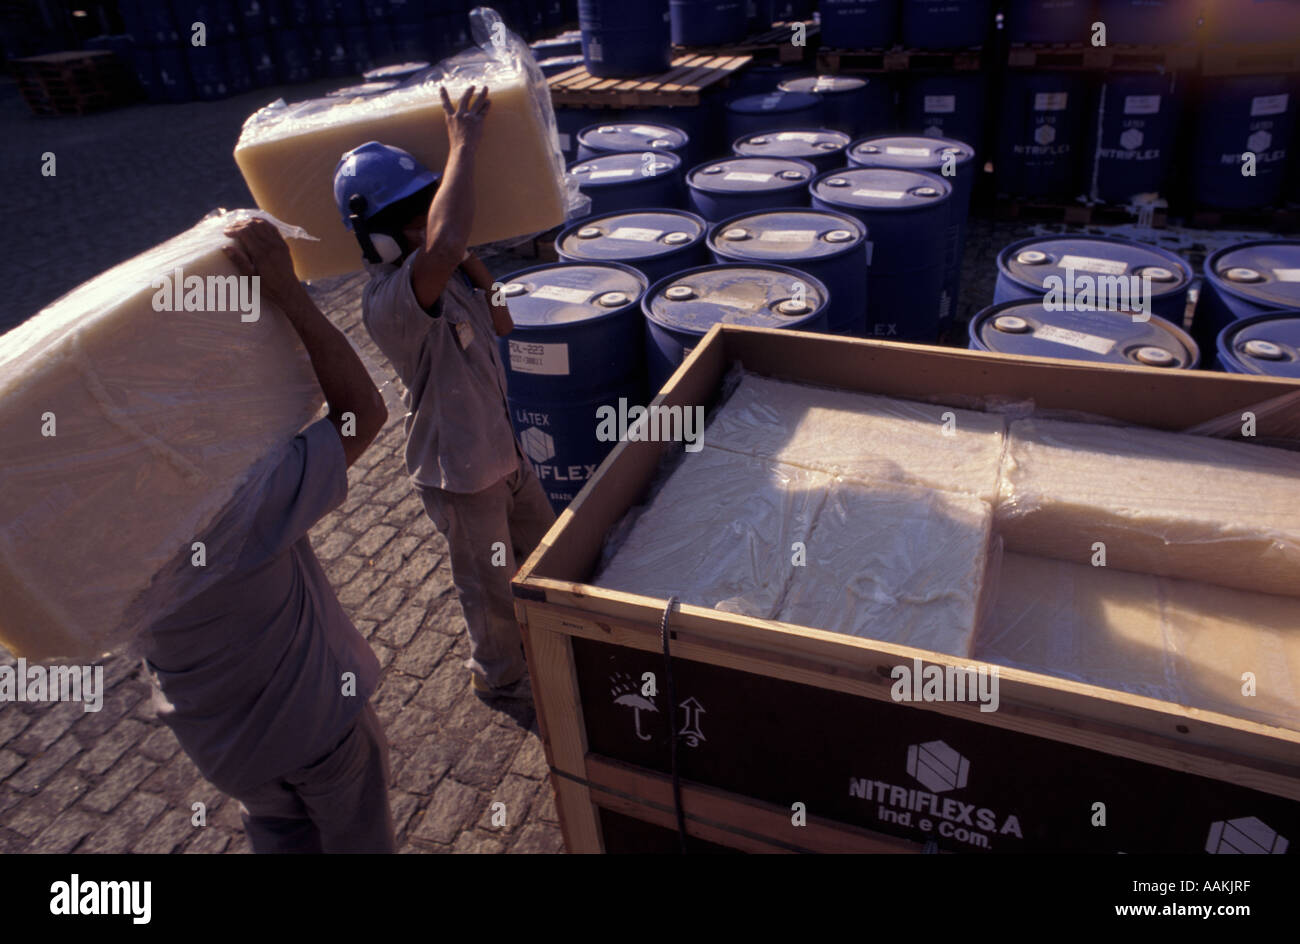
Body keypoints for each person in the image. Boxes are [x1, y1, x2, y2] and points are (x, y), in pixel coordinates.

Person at [140, 217, 395, 854]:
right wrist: (288, 292)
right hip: (318, 732)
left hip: (222, 749)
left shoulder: (102, 537)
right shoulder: (236, 503)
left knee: (281, 836)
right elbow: (364, 412)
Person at [332, 85, 555, 701]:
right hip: (459, 470)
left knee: (547, 547)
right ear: (377, 236)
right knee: (489, 587)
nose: (427, 217)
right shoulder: (389, 300)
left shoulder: (446, 271)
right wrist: (465, 145)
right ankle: (500, 676)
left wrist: (478, 268)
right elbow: (447, 241)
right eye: (412, 212)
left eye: (428, 204)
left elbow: (504, 321)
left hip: (502, 452)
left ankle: (555, 639)